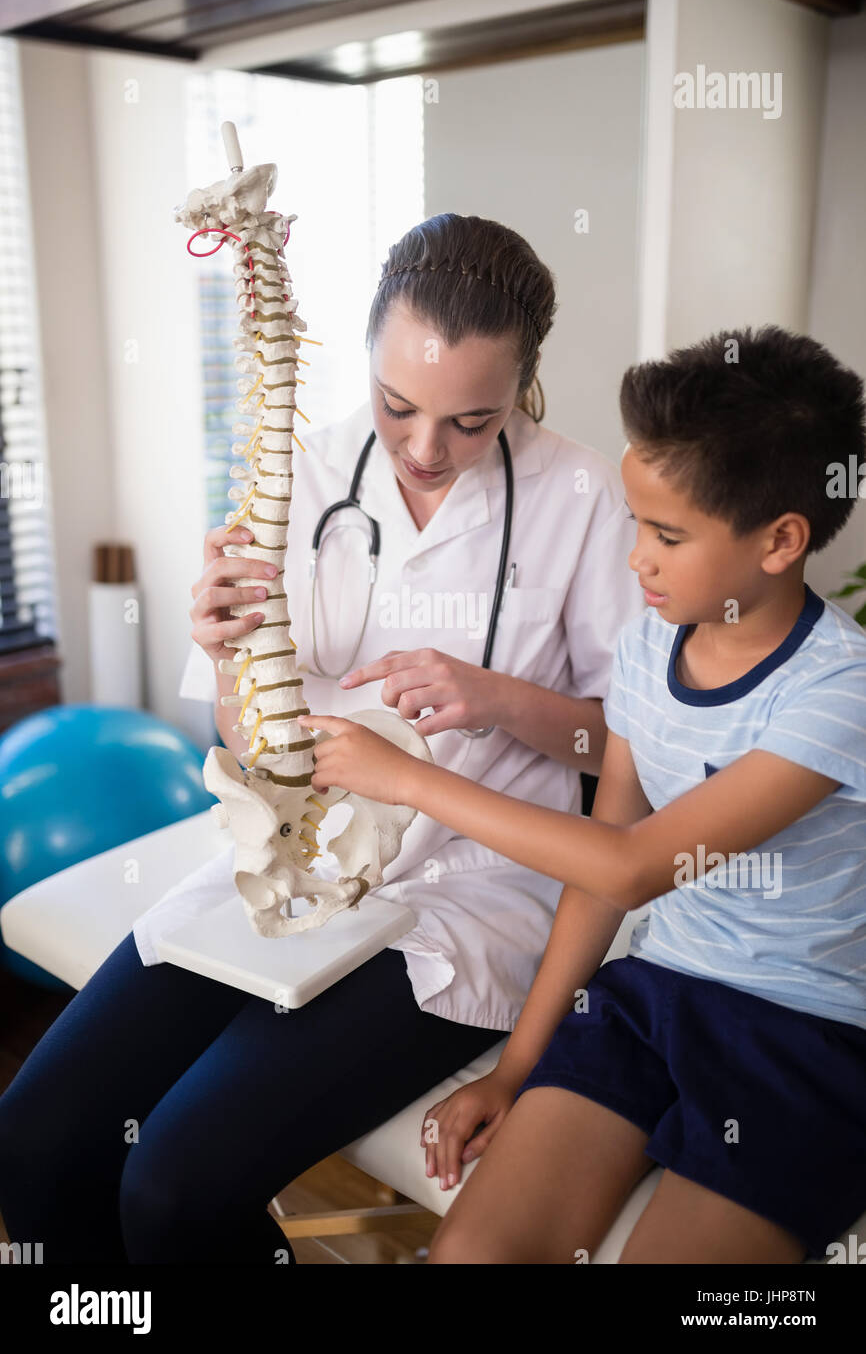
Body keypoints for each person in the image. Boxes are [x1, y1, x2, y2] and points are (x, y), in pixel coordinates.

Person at [0, 213, 642, 1264]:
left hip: (474, 891)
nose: (426, 449)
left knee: (173, 1183)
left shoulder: (583, 502)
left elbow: (629, 756)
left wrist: (496, 700)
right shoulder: (299, 471)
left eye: (470, 421)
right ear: (364, 359)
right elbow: (250, 748)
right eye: (398, 407)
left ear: (524, 381)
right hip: (291, 866)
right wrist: (222, 657)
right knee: (33, 1142)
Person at [303, 325, 866, 1264]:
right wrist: (515, 1072)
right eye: (637, 522)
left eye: (667, 534)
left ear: (781, 541)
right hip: (655, 997)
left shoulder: (838, 693)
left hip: (803, 1038)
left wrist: (408, 779)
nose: (635, 557)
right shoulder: (655, 643)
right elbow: (603, 876)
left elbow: (639, 865)